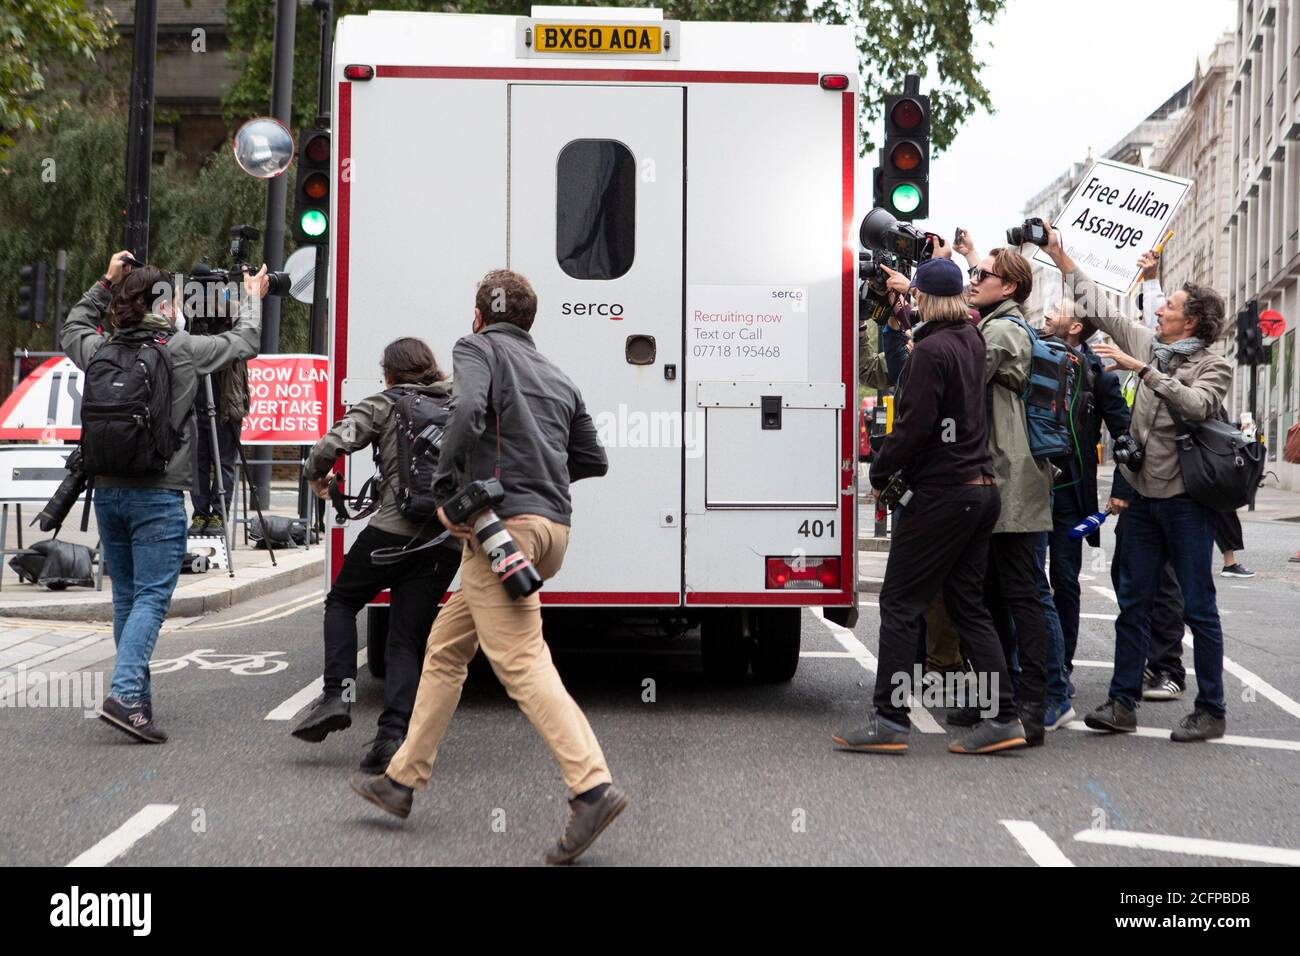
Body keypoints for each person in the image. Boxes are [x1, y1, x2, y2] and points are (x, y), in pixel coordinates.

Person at [348, 269, 624, 864]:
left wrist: (451, 490)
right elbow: (592, 460)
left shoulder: (476, 348)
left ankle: (591, 787)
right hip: (552, 530)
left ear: (478, 317)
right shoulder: (557, 374)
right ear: (530, 320)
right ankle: (401, 779)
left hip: (503, 532)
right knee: (446, 651)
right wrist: (539, 485)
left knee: (523, 663)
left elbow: (469, 405)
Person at [63, 251, 267, 743]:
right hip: (158, 496)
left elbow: (72, 328)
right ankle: (127, 694)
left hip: (107, 493)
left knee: (128, 600)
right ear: (164, 304)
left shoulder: (100, 347)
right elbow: (245, 342)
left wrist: (105, 282)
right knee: (153, 598)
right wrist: (252, 300)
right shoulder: (181, 349)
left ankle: (137, 704)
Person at [1044, 226, 1233, 742]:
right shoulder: (1150, 344)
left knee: (1198, 606)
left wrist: (1144, 372)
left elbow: (1198, 405)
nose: (1158, 311)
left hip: (1187, 505)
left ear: (1188, 320)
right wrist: (1061, 254)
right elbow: (1101, 309)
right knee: (1133, 602)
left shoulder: (1213, 365)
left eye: (1168, 306)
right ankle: (1121, 702)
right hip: (1143, 500)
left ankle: (1211, 709)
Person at [833, 257, 1024, 755]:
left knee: (899, 604)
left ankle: (889, 721)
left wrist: (879, 469)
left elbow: (912, 429)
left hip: (941, 493)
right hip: (980, 490)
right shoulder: (970, 339)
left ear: (922, 298)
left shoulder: (929, 352)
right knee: (968, 605)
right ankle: (1004, 716)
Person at [292, 337, 461, 774]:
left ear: (389, 372)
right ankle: (391, 739)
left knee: (343, 601)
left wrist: (318, 478)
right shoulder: (460, 402)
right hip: (445, 541)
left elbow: (327, 447)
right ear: (432, 368)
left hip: (391, 532)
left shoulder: (384, 404)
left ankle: (337, 696)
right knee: (406, 639)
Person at [961, 245, 1054, 745]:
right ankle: (1001, 704)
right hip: (1003, 477)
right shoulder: (996, 324)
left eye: (982, 274)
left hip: (1011, 480)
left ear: (1010, 287)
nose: (974, 279)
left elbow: (959, 378)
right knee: (995, 594)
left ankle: (1030, 708)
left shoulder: (1001, 330)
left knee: (1019, 595)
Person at [1040, 299, 1132, 687]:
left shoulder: (1100, 375)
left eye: (1054, 311)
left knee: (1064, 578)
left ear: (1076, 326)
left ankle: (1062, 665)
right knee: (1022, 578)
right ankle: (1031, 664)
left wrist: (1122, 490)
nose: (1046, 316)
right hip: (1031, 487)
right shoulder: (1036, 355)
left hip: (1071, 495)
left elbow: (1126, 434)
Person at [188, 353, 247, 537]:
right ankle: (200, 515)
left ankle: (219, 514)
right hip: (197, 408)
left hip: (225, 410)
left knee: (224, 464)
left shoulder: (230, 340)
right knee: (198, 466)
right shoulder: (193, 339)